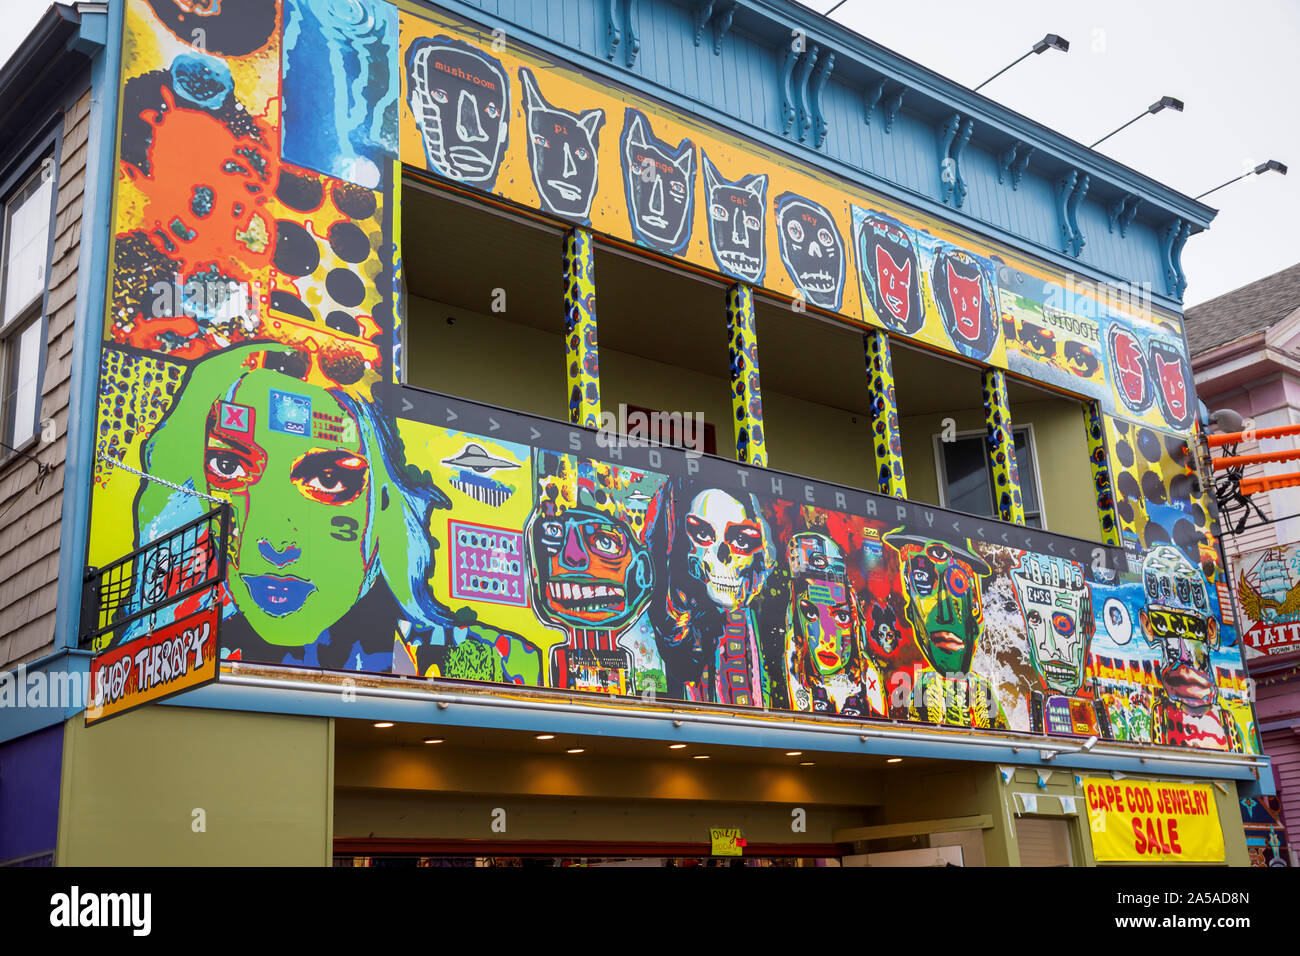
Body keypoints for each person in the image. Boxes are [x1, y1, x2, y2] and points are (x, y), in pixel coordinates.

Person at [127, 343, 541, 681]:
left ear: (383, 501)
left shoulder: (496, 662)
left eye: (328, 481)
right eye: (228, 467)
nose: (274, 542)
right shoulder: (167, 656)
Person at [883, 532, 1007, 729]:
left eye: (957, 583)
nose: (944, 615)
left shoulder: (985, 691)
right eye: (922, 579)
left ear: (976, 606)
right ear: (909, 606)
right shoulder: (914, 686)